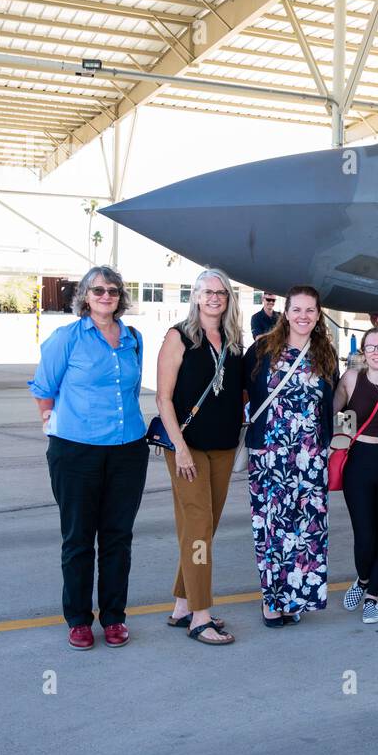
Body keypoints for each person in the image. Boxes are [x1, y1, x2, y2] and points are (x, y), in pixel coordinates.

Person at [29, 266, 147, 650]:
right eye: (98, 290)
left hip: (128, 448)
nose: (106, 295)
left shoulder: (133, 338)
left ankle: (114, 617)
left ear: (120, 297)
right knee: (78, 538)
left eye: (113, 290)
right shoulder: (66, 338)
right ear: (84, 295)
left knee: (118, 537)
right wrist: (52, 421)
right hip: (76, 450)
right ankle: (78, 619)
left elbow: (129, 391)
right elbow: (44, 388)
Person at [154, 268, 245, 646]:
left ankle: (181, 606)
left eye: (220, 292)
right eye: (207, 292)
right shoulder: (178, 337)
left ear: (228, 299)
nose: (214, 298)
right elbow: (163, 399)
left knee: (203, 529)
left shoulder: (234, 341)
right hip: (186, 449)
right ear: (195, 296)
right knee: (197, 527)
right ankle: (200, 616)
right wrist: (180, 449)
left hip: (223, 447)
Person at [243, 286, 339, 626]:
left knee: (306, 530)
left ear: (318, 315)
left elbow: (329, 403)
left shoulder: (325, 353)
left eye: (310, 310)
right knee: (272, 529)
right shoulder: (263, 349)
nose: (303, 316)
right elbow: (243, 391)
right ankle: (271, 602)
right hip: (271, 454)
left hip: (310, 457)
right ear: (286, 312)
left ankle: (294, 598)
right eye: (296, 309)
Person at [334, 324, 378, 624]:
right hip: (359, 463)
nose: (377, 352)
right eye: (371, 347)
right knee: (364, 534)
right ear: (363, 353)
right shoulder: (351, 378)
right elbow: (334, 413)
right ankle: (362, 579)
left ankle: (372, 597)